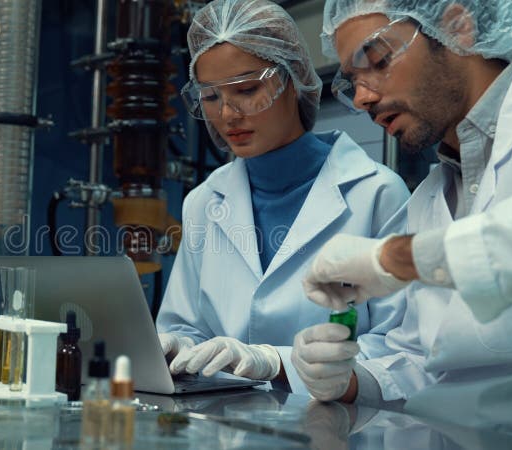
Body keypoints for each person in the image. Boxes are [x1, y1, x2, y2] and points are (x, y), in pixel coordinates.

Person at [291, 0, 512, 413]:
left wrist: (396, 256)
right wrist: (348, 382)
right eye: (352, 81)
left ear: (457, 26)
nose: (361, 97)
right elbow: (425, 362)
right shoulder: (431, 197)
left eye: (377, 59)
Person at [155, 0, 409, 390]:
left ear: (293, 80)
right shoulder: (204, 202)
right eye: (210, 97)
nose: (227, 115)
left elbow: (401, 350)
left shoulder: (376, 193)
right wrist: (177, 347)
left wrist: (280, 361)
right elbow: (187, 326)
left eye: (246, 89)